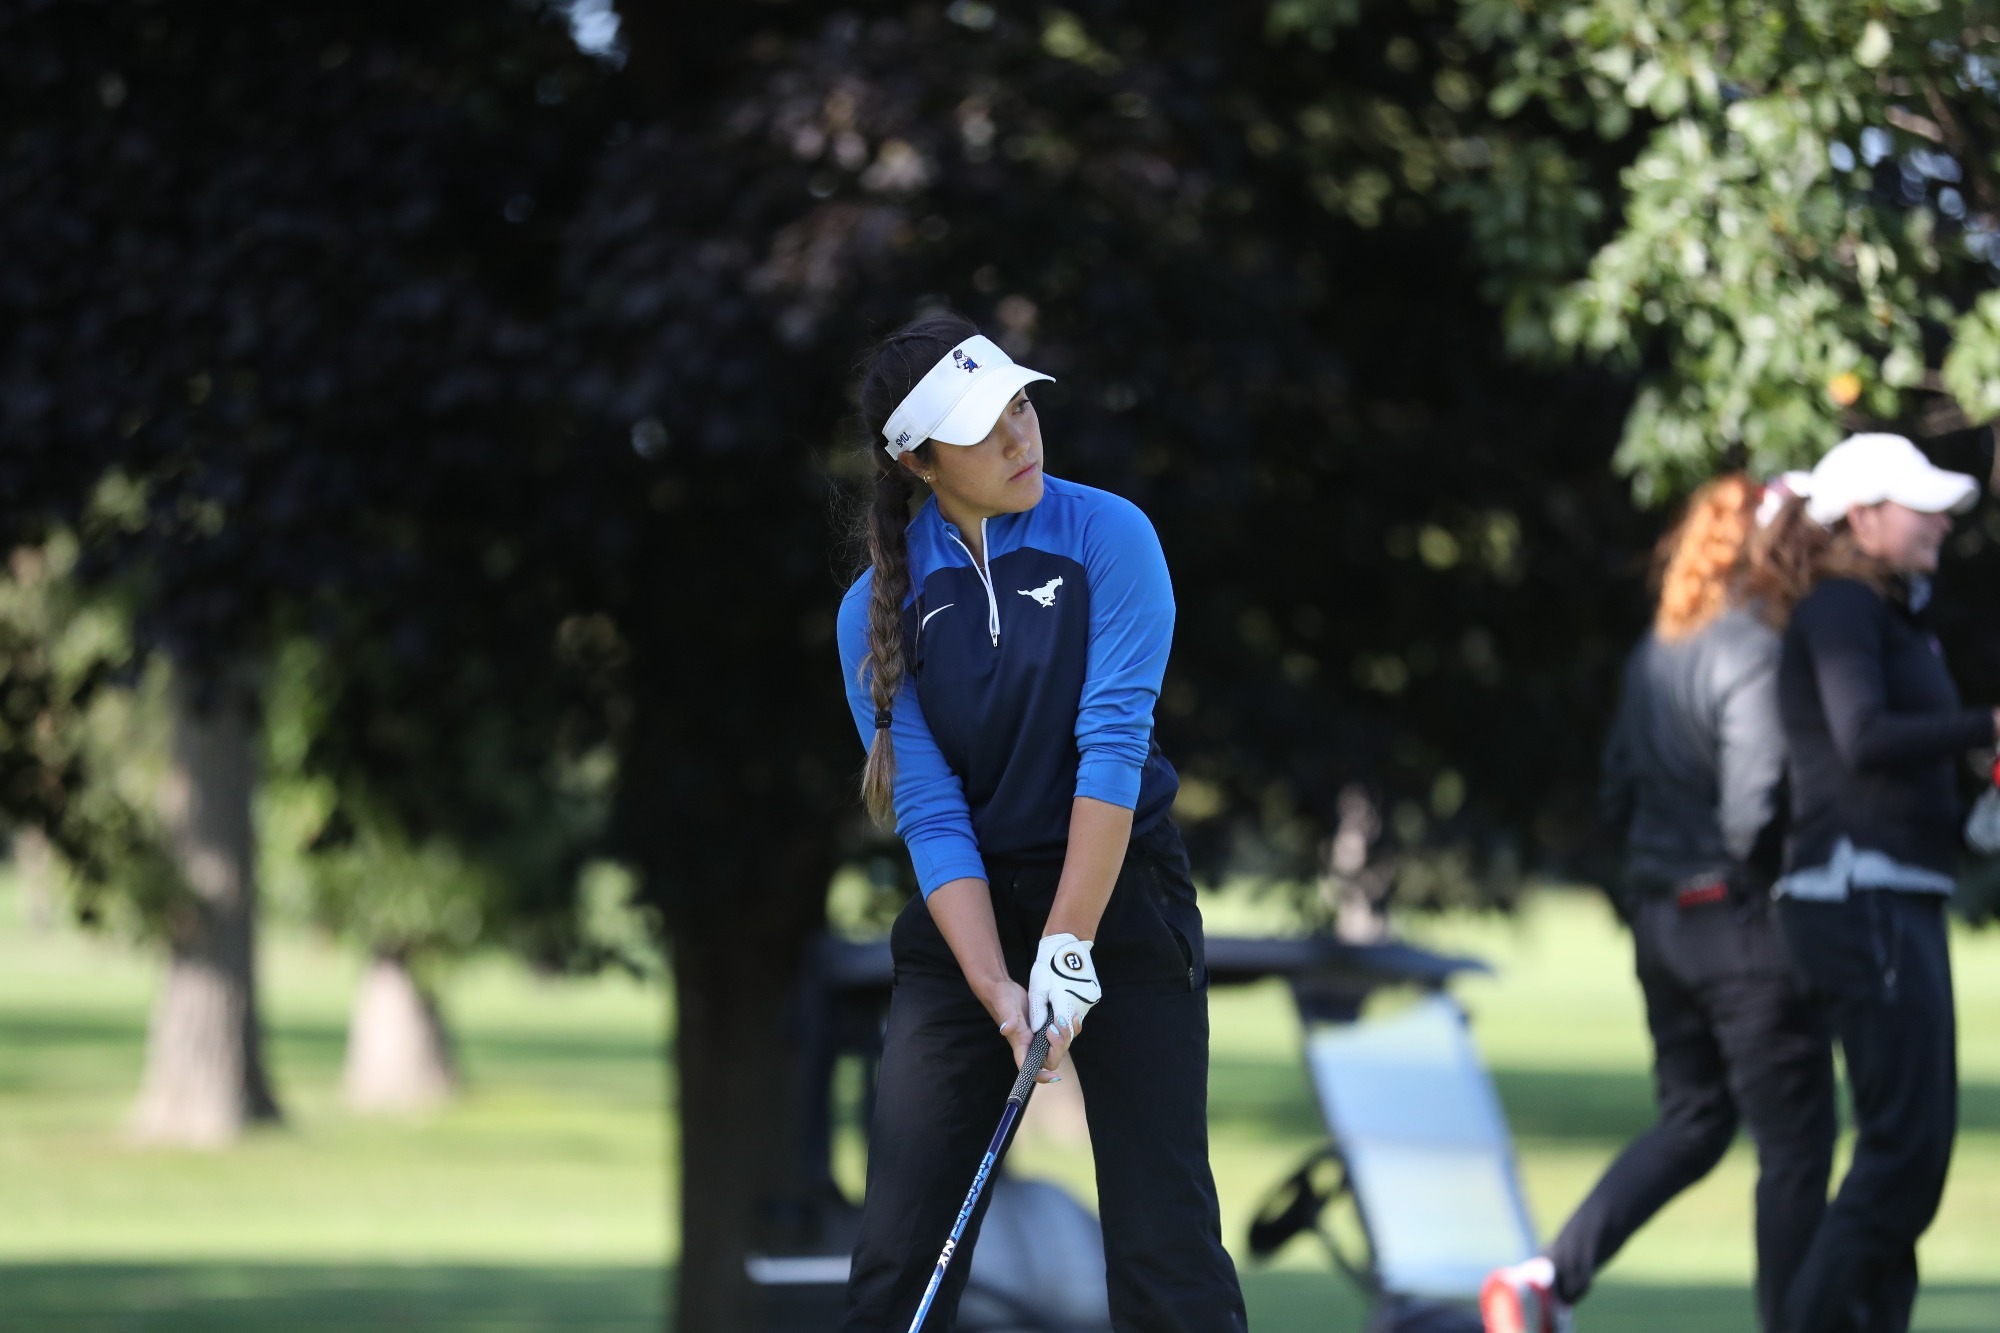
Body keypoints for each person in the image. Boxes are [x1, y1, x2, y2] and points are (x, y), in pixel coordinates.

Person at [834, 312, 1247, 1332]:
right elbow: (930, 813)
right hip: (965, 917)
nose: (1021, 436)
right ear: (920, 460)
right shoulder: (871, 615)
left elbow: (1109, 751)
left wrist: (1067, 942)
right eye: (985, 426)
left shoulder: (1110, 536)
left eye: (1020, 404)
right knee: (898, 1250)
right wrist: (995, 986)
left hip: (1119, 895)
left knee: (1162, 1245)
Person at [1481, 473, 1837, 1333]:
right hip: (1738, 923)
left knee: (1697, 1120)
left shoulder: (1658, 649)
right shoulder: (1756, 646)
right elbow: (1754, 801)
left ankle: (1542, 1278)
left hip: (1662, 920)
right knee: (1796, 1148)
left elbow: (1614, 794)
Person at [1748, 433, 1995, 1333]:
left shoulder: (1886, 613)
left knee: (1912, 1159)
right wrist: (1986, 724)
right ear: (1864, 517)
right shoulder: (1841, 610)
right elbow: (1862, 737)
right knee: (1902, 1157)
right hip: (1862, 898)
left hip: (1893, 894)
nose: (1939, 520)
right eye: (1920, 505)